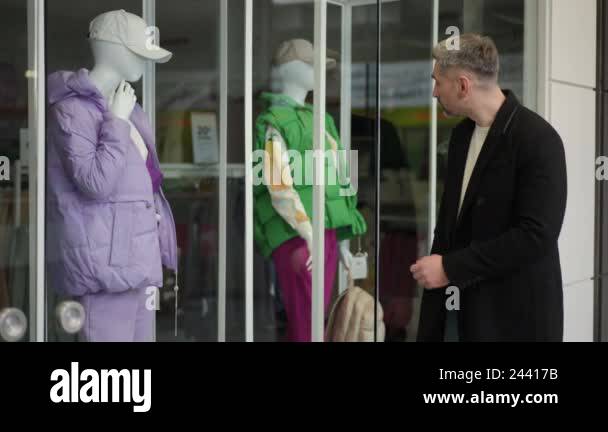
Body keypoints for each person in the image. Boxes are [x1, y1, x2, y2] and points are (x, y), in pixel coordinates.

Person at [412, 33, 567, 342]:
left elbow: (535, 236)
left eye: (438, 81)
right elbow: (451, 227)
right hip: (460, 313)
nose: (433, 92)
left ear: (463, 85)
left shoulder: (539, 140)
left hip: (514, 319)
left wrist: (450, 268)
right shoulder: (460, 138)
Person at [46, 10, 178, 342]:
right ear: (113, 48)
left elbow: (146, 186)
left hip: (137, 262)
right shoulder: (71, 111)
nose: (144, 63)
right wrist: (115, 122)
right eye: (138, 53)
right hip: (104, 267)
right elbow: (94, 182)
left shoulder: (132, 109)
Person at [253, 39, 367, 342]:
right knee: (306, 323)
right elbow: (278, 186)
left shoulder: (323, 119)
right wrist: (308, 233)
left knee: (318, 320)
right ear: (291, 68)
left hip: (325, 234)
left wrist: (340, 240)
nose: (320, 72)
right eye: (312, 65)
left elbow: (338, 176)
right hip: (297, 236)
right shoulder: (271, 121)